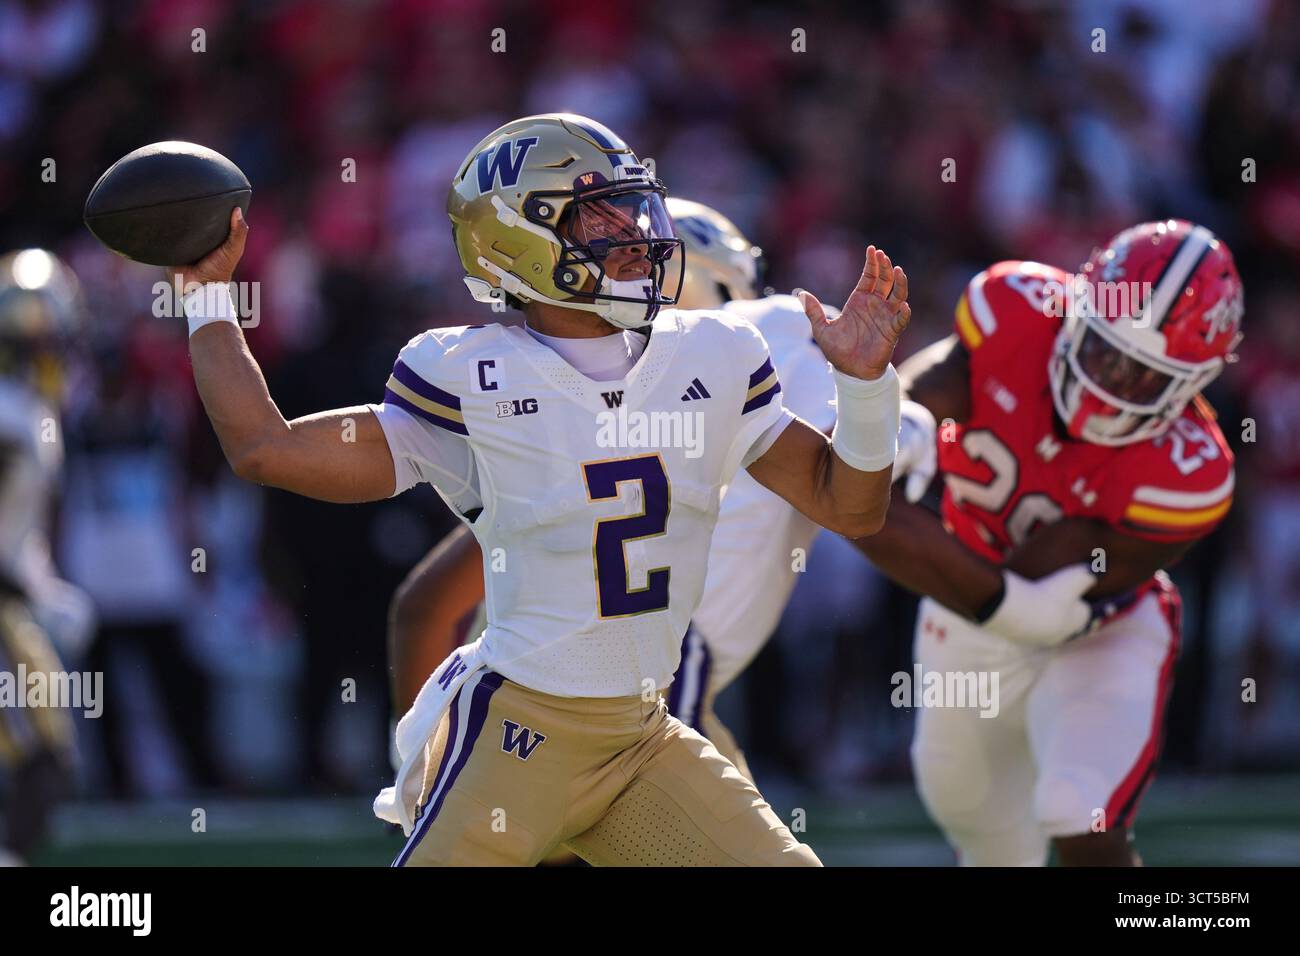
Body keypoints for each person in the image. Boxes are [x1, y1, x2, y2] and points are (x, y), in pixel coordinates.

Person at [176, 113, 911, 866]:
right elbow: (267, 448)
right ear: (518, 238)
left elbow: (850, 508)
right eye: (598, 213)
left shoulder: (715, 353)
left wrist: (864, 387)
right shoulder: (470, 374)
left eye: (632, 206)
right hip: (518, 736)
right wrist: (205, 299)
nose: (634, 231)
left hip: (643, 736)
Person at [864, 220, 1242, 865]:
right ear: (1076, 309)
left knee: (1080, 813)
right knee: (979, 829)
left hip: (1095, 627)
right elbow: (927, 395)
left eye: (1139, 375)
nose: (1110, 380)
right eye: (1101, 349)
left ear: (1191, 383)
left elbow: (1040, 576)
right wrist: (901, 422)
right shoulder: (1017, 309)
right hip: (969, 615)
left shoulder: (1190, 473)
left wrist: (866, 492)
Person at [0, 249, 94, 862]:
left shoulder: (32, 413)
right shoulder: (11, 418)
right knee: (44, 760)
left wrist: (41, 587)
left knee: (46, 761)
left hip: (13, 604)